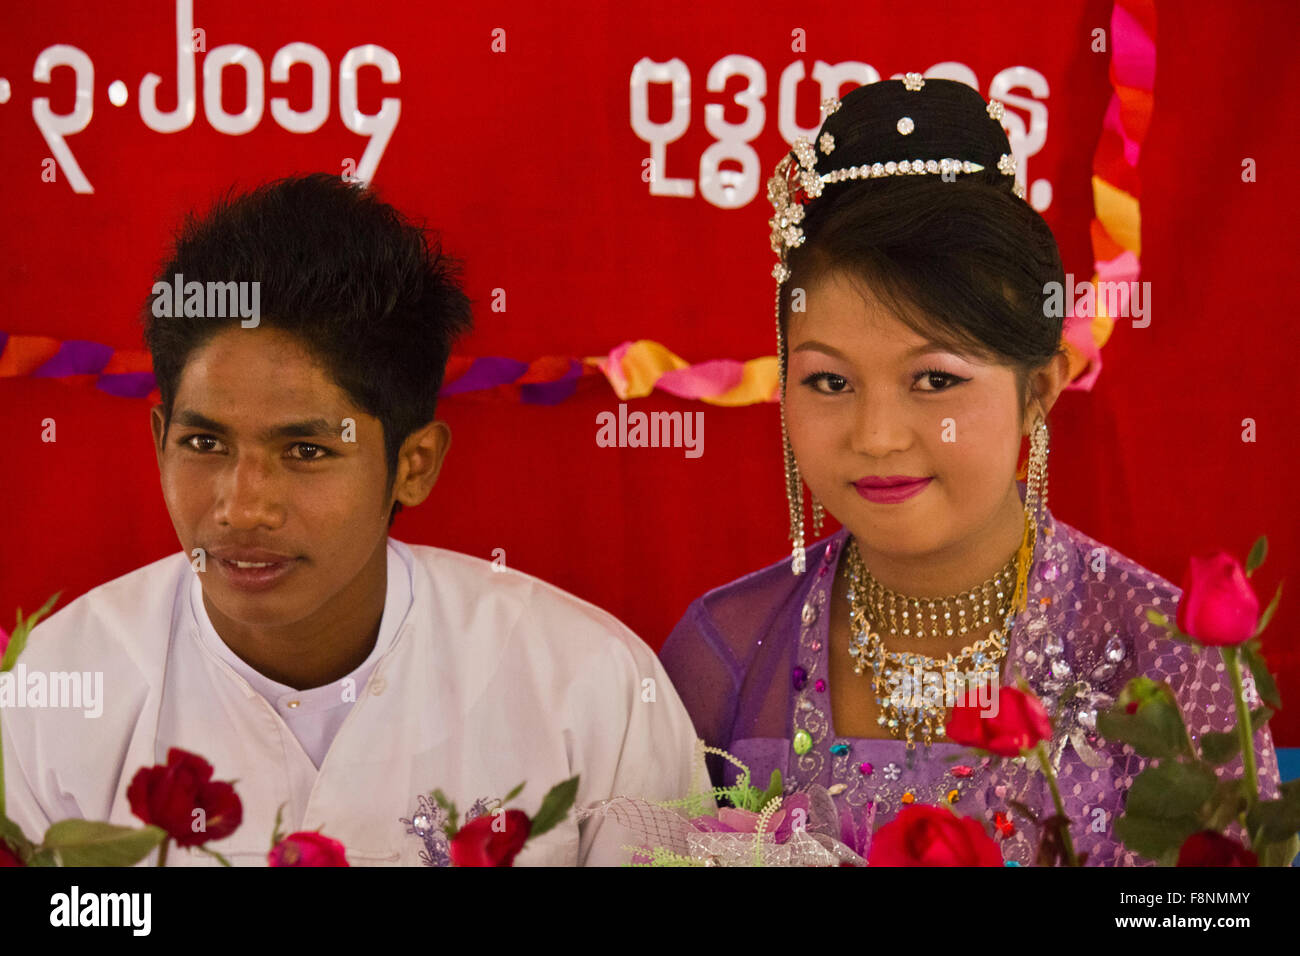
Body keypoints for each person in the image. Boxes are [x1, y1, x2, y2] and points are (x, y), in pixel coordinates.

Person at [659, 77, 1283, 865]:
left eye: (936, 379)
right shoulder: (722, 653)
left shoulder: (1173, 669)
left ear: (1039, 391)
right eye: (829, 381)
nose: (877, 436)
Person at [1, 173, 706, 866]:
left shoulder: (589, 689)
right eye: (204, 444)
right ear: (160, 440)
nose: (243, 507)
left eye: (306, 450)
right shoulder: (53, 695)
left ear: (415, 465)